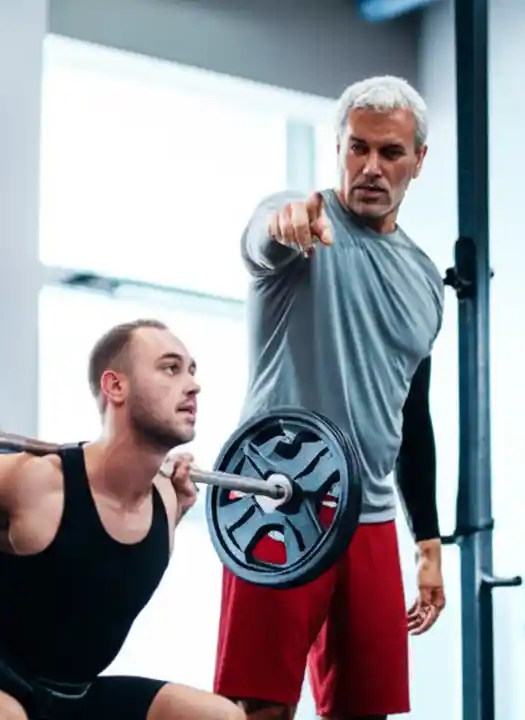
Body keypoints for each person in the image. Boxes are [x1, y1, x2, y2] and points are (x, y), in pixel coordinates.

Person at [0, 319, 244, 720]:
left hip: (73, 701)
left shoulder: (168, 500)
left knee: (220, 717)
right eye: (171, 368)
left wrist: (173, 517)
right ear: (115, 387)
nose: (193, 385)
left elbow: (98, 574)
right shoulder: (32, 481)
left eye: (192, 370)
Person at [213, 75, 446, 719]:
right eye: (357, 148)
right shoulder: (302, 219)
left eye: (391, 153)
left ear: (418, 161)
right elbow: (264, 237)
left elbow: (412, 418)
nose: (371, 167)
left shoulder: (426, 282)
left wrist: (427, 545)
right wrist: (283, 225)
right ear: (338, 146)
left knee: (365, 711)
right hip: (276, 499)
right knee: (257, 708)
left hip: (365, 519)